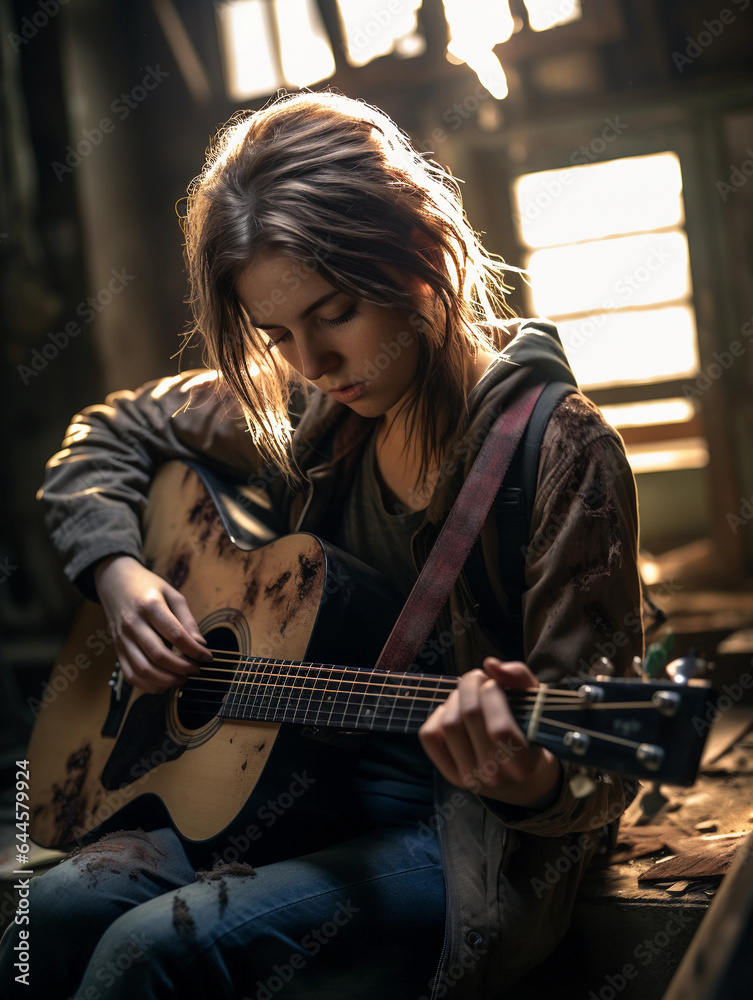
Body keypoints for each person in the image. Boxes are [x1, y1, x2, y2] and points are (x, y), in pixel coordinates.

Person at [1, 90, 642, 999]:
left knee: (149, 954)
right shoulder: (304, 408)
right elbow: (105, 432)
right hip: (280, 785)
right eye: (276, 333)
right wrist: (121, 573)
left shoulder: (558, 450)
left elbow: (599, 761)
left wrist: (530, 775)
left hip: (457, 834)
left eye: (335, 313)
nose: (311, 363)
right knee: (45, 913)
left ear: (419, 252)